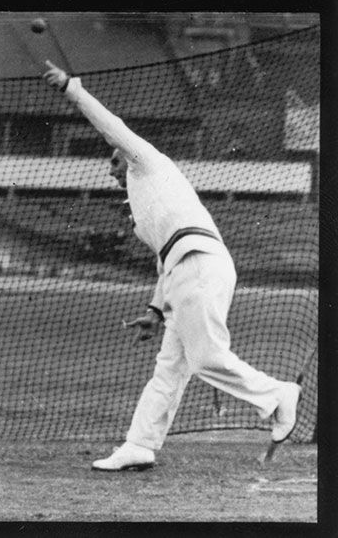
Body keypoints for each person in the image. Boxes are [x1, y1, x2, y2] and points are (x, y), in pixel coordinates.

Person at [41, 61, 302, 471]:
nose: (112, 166)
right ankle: (140, 445)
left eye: (116, 159)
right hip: (185, 267)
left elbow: (110, 126)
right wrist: (154, 310)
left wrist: (71, 88)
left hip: (200, 263)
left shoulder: (148, 162)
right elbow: (164, 260)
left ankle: (277, 395)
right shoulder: (142, 209)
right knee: (169, 369)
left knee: (205, 359)